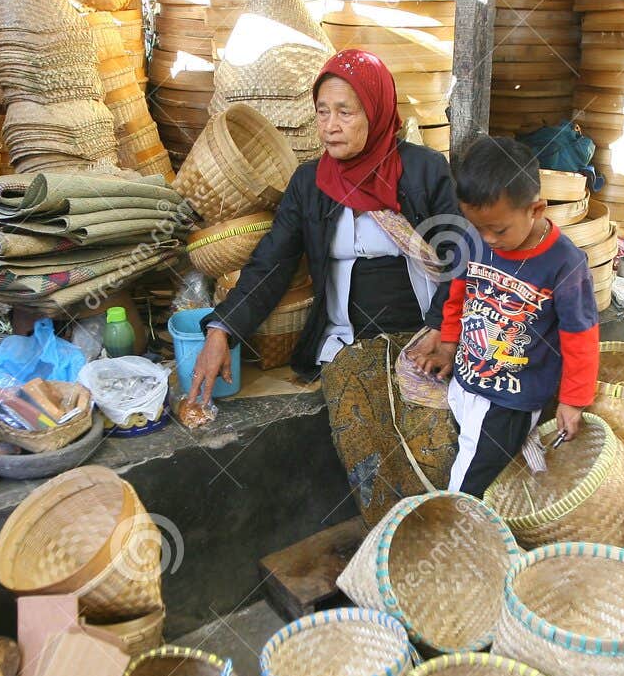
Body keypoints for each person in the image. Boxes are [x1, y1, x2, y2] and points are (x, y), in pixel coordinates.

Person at [187, 49, 463, 523]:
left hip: (423, 334)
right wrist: (221, 329)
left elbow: (461, 257)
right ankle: (391, 537)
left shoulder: (422, 171)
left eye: (345, 112)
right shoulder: (310, 183)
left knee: (432, 435)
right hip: (347, 341)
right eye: (322, 112)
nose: (330, 126)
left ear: (375, 112)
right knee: (362, 434)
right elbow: (271, 262)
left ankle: (444, 531)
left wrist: (443, 330)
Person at [407, 136, 599, 500]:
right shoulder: (475, 239)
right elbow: (457, 296)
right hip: (467, 378)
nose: (488, 239)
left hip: (511, 399)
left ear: (536, 209)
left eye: (499, 230)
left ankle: (453, 525)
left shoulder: (565, 264)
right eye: (477, 227)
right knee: (475, 459)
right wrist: (447, 346)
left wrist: (573, 400)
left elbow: (581, 337)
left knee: (466, 487)